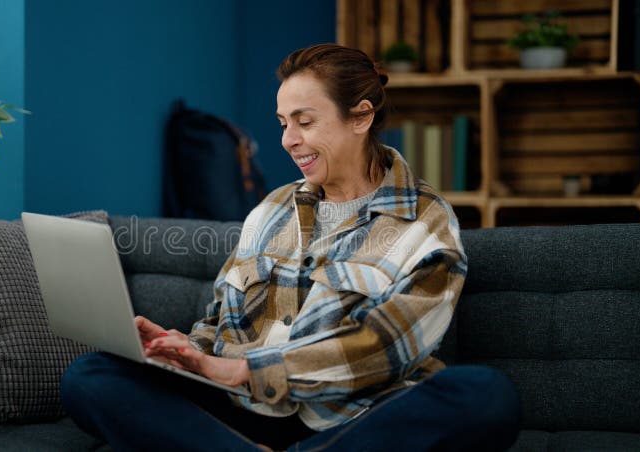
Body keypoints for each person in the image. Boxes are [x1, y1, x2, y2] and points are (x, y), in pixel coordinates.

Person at [60, 43, 521, 451]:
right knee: (90, 376)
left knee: (486, 395)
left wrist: (246, 371)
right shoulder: (271, 210)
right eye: (283, 123)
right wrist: (186, 351)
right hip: (244, 406)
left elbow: (388, 346)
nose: (287, 140)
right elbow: (221, 318)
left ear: (360, 116)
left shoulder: (425, 221)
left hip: (354, 418)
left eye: (304, 122)